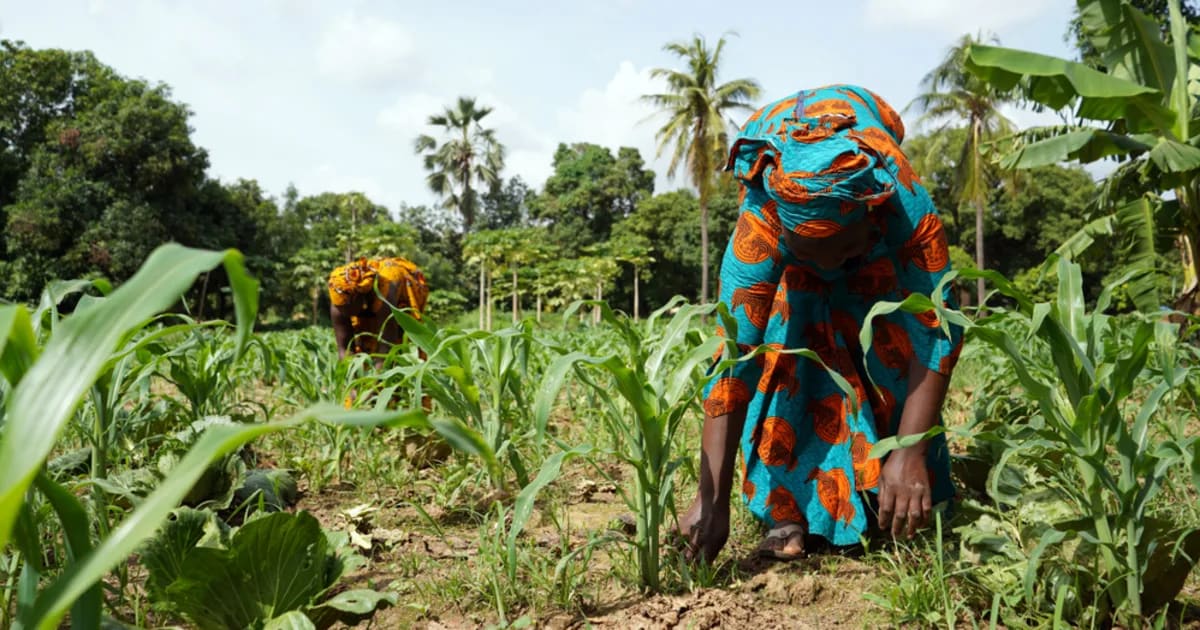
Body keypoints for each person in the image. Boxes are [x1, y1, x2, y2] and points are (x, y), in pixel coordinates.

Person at [681, 84, 964, 563]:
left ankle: (896, 483)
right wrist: (710, 499)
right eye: (817, 256)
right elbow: (732, 365)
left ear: (869, 219)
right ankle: (788, 509)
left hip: (877, 256)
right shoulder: (762, 224)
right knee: (787, 347)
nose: (834, 268)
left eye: (846, 251)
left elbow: (940, 326)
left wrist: (911, 449)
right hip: (799, 259)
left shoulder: (900, 201)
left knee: (891, 340)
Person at [328, 255, 430, 370]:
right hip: (369, 301)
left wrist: (376, 387)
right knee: (366, 347)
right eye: (339, 307)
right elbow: (344, 349)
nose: (343, 312)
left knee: (401, 346)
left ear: (358, 296)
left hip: (401, 287)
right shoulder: (339, 296)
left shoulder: (385, 293)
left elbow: (386, 349)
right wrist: (351, 384)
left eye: (347, 307)